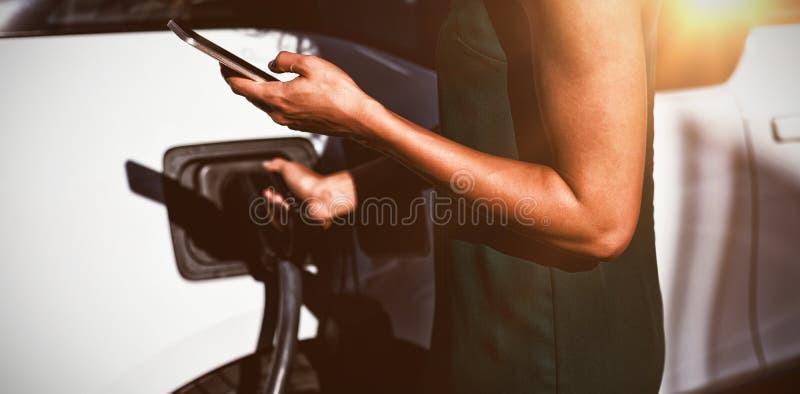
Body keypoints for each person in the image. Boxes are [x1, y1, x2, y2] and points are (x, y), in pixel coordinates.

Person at [223, 0, 665, 392]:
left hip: (557, 350)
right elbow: (505, 126)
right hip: (486, 325)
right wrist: (348, 187)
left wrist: (365, 121)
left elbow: (598, 222)